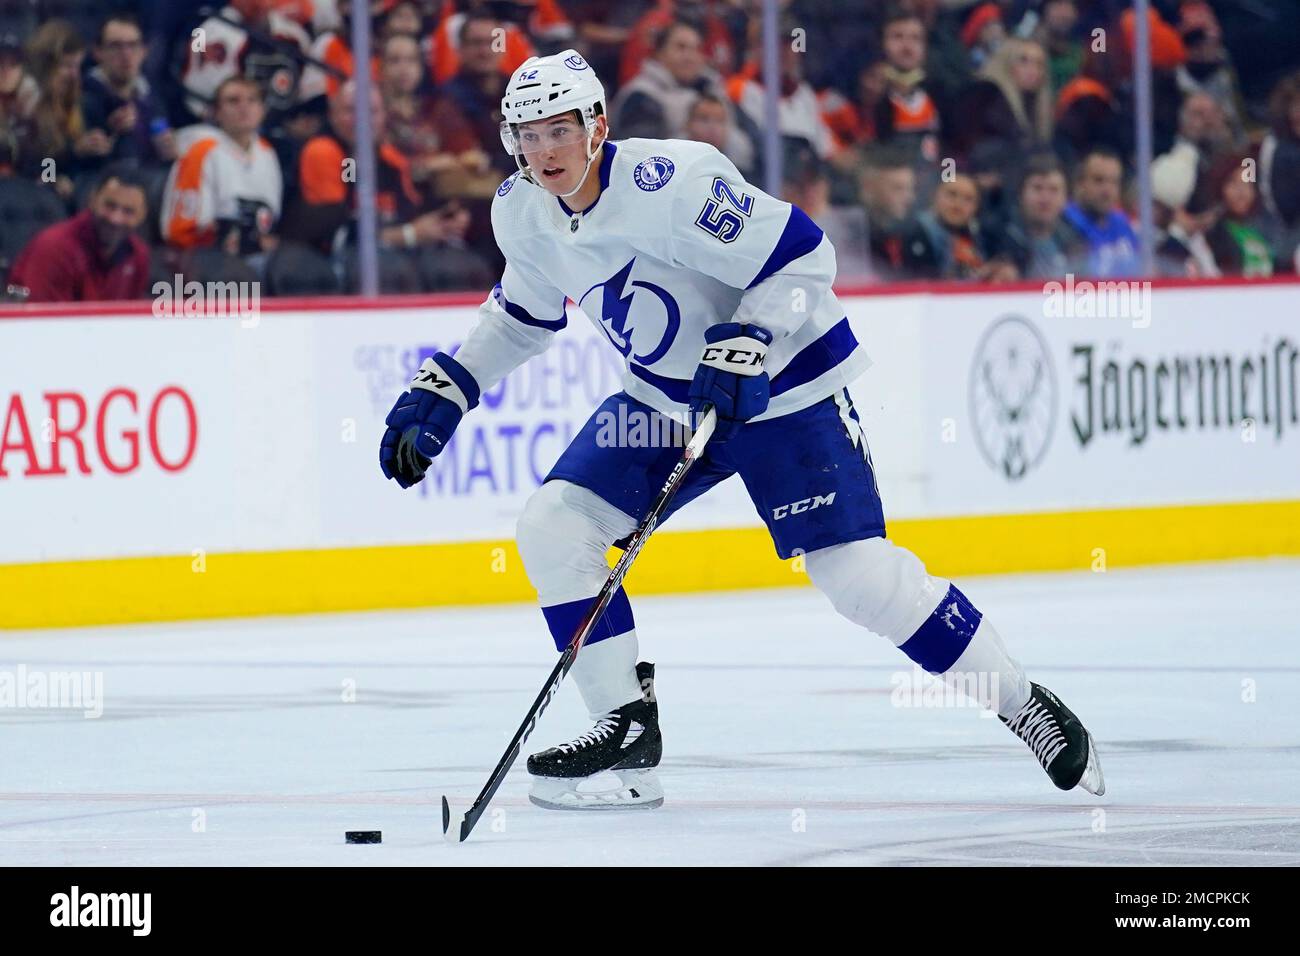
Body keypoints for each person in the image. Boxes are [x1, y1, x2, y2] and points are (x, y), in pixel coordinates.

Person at [377, 50, 1104, 810]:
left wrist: (752, 334)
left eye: (560, 130)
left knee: (857, 579)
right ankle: (624, 729)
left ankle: (1021, 701)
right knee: (555, 525)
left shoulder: (674, 183)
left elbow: (803, 256)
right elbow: (523, 316)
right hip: (663, 403)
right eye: (527, 135)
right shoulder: (521, 210)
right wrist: (452, 384)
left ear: (598, 125)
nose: (545, 151)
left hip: (783, 392)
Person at [161, 76, 283, 258]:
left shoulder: (267, 152)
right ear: (216, 112)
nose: (244, 107)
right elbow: (181, 231)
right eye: (233, 100)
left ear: (263, 110)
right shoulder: (201, 150)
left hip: (255, 255)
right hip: (207, 257)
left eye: (252, 100)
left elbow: (270, 219)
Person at [9, 164, 150, 302]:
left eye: (128, 211)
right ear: (92, 199)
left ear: (143, 214)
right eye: (110, 205)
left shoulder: (138, 255)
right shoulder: (54, 247)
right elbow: (40, 321)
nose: (115, 219)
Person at [1062, 147, 1140, 277]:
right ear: (1080, 183)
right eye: (1099, 180)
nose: (1107, 190)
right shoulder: (1065, 223)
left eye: (1114, 182)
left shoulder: (1121, 222)